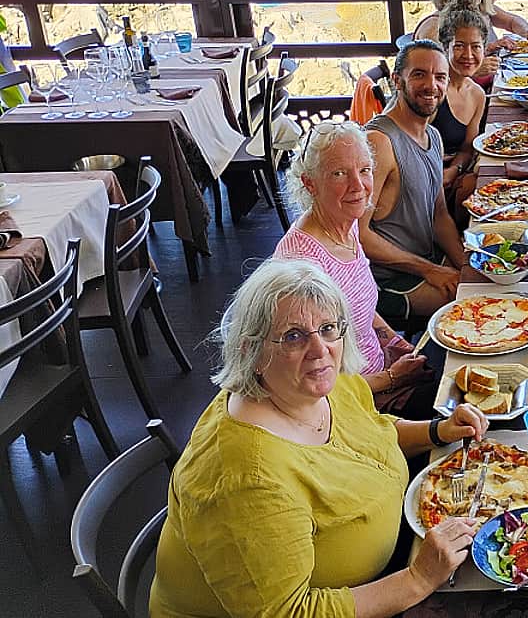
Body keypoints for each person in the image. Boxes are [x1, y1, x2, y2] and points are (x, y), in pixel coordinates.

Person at [149, 258, 490, 617]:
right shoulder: (249, 480)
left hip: (389, 567)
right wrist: (419, 579)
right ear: (252, 350)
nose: (320, 350)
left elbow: (371, 431)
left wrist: (437, 430)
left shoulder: (310, 385)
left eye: (328, 328)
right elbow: (288, 613)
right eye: (293, 336)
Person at [276, 121, 433, 413]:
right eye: (339, 174)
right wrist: (392, 378)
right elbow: (318, 383)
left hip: (380, 371)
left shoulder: (346, 226)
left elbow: (360, 308)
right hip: (353, 407)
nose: (358, 186)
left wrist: (397, 343)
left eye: (364, 170)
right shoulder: (304, 268)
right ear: (310, 183)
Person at [360, 40, 467, 321]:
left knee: (493, 281)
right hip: (387, 281)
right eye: (419, 74)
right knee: (470, 309)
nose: (431, 85)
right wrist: (429, 270)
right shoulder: (379, 142)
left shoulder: (433, 136)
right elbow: (357, 235)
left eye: (440, 77)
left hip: (425, 258)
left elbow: (439, 215)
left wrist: (466, 265)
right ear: (397, 80)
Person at [434, 0, 488, 222]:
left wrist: (453, 171)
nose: (468, 55)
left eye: (476, 47)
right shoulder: (433, 89)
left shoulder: (477, 94)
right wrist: (439, 176)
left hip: (452, 175)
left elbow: (468, 147)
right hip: (425, 178)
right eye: (459, 47)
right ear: (445, 47)